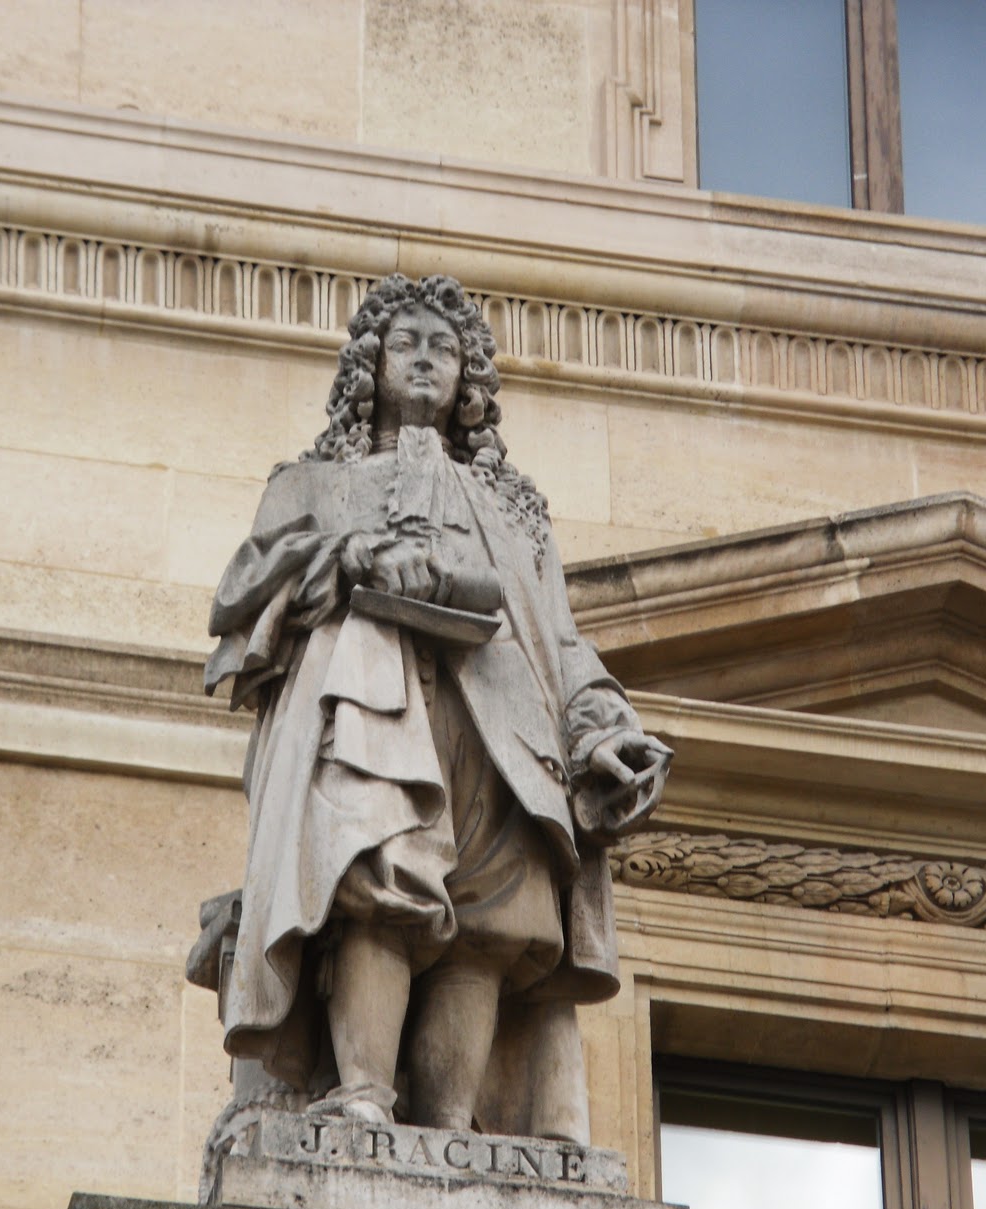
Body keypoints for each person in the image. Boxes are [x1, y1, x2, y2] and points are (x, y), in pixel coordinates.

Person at [191, 273, 670, 1143]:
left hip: (503, 729)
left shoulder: (513, 510)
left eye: (443, 348)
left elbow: (559, 641)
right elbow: (241, 597)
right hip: (368, 704)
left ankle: (452, 1132)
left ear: (468, 378)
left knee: (492, 923)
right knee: (377, 881)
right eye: (405, 343)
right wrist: (350, 556)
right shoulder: (310, 485)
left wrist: (605, 729)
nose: (424, 360)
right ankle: (363, 1095)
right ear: (370, 366)